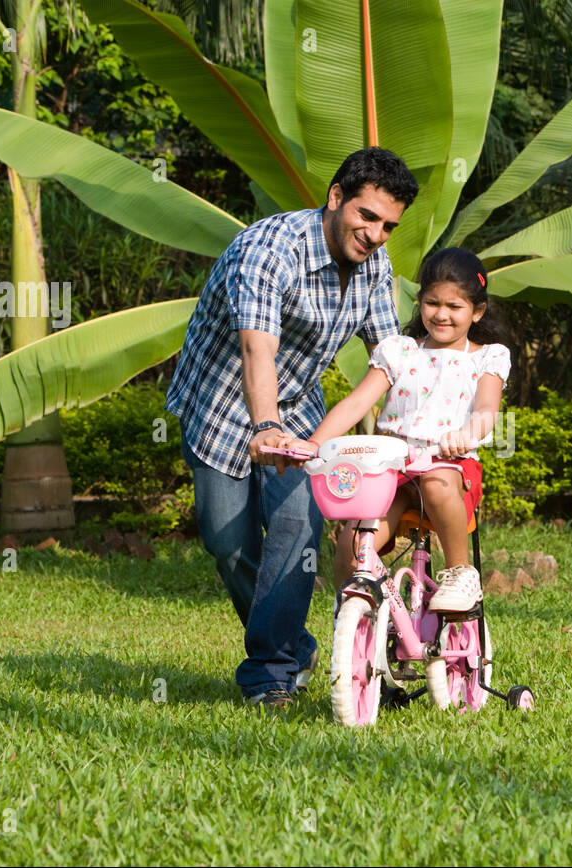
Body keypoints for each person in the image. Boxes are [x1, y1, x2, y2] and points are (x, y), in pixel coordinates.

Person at [164, 147, 419, 708]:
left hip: (299, 405)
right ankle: (296, 643)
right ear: (335, 198)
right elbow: (258, 351)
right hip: (220, 403)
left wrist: (420, 429)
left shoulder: (375, 265)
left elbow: (390, 357)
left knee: (296, 527)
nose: (376, 234)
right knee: (227, 542)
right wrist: (264, 426)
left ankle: (270, 673)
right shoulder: (268, 249)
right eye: (367, 216)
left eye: (387, 225)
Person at [295, 247, 511, 612]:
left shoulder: (487, 356)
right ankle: (355, 614)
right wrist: (315, 443)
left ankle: (460, 572)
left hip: (449, 466)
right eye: (431, 303)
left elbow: (487, 409)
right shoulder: (399, 351)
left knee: (436, 481)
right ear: (419, 302)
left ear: (477, 311)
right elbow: (357, 403)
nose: (441, 314)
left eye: (454, 307)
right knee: (353, 544)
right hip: (391, 471)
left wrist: (467, 434)